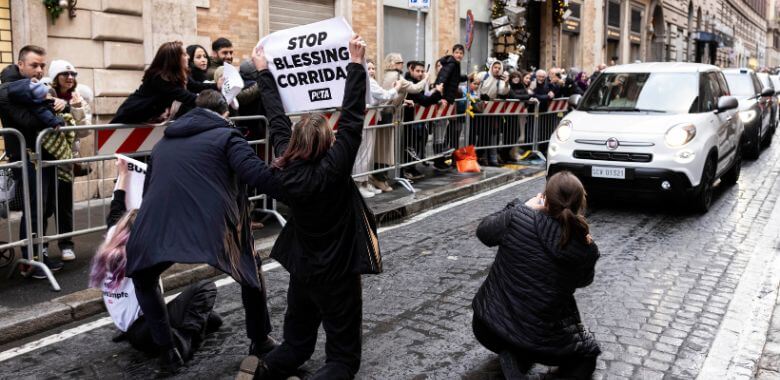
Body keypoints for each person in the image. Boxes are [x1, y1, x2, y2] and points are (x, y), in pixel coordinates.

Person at [124, 89, 284, 373]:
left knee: (144, 276)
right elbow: (257, 176)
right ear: (225, 114)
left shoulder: (163, 143)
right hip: (211, 223)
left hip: (157, 223)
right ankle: (260, 340)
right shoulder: (228, 136)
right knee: (250, 271)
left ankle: (168, 352)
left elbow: (150, 190)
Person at [249, 35, 373, 380]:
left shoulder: (285, 171)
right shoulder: (334, 170)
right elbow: (351, 118)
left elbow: (276, 118)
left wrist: (264, 73)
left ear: (295, 143)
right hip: (338, 272)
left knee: (296, 345)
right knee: (342, 361)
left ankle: (267, 368)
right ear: (328, 143)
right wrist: (355, 64)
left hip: (302, 268)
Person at [89, 159, 222, 366]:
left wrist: (123, 174)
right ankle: (184, 341)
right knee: (206, 288)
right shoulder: (142, 254)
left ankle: (185, 330)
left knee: (213, 319)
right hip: (147, 330)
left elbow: (117, 205)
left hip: (129, 328)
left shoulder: (112, 236)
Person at [472, 171, 601, 379]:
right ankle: (521, 354)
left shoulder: (518, 217)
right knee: (588, 354)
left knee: (522, 339)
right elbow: (584, 281)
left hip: (486, 327)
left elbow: (484, 232)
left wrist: (522, 207)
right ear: (579, 205)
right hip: (537, 341)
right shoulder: (585, 247)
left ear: (545, 199)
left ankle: (516, 355)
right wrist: (588, 248)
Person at [0, 45, 66, 277]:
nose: (39, 70)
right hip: (26, 157)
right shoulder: (8, 90)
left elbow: (47, 111)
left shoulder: (37, 89)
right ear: (20, 65)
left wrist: (60, 103)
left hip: (41, 156)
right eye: (33, 65)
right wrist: (52, 107)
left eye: (42, 65)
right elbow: (28, 121)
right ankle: (31, 260)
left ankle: (38, 255)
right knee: (34, 209)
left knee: (43, 207)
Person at [46, 60, 93, 262]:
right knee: (43, 206)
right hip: (46, 157)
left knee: (64, 205)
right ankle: (42, 246)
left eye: (73, 74)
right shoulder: (45, 94)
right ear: (56, 77)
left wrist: (76, 109)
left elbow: (84, 131)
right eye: (65, 74)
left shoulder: (79, 99)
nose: (70, 78)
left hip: (66, 159)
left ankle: (66, 245)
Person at [111, 41, 220, 124]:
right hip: (130, 117)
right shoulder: (159, 78)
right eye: (184, 54)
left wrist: (217, 85)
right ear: (175, 59)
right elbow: (188, 97)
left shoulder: (177, 76)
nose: (188, 57)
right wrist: (215, 103)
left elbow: (196, 86)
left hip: (145, 120)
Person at [355, 58, 401, 198]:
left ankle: (365, 182)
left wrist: (392, 90)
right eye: (368, 68)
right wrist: (396, 88)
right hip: (366, 121)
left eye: (373, 68)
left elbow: (382, 98)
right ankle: (359, 183)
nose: (372, 71)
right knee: (363, 153)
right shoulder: (367, 82)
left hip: (371, 120)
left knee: (368, 154)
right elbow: (384, 95)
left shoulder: (370, 82)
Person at [432, 44, 467, 169]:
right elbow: (443, 76)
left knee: (441, 130)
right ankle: (438, 160)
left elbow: (454, 79)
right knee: (439, 131)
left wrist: (467, 77)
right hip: (444, 100)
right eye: (457, 52)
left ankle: (440, 159)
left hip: (447, 100)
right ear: (453, 53)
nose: (459, 55)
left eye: (461, 53)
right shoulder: (452, 64)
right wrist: (439, 91)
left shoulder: (454, 64)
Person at [477, 60, 510, 166]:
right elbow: (475, 83)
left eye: (499, 68)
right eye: (495, 67)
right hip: (479, 108)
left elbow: (502, 91)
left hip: (493, 109)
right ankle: (481, 156)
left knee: (493, 134)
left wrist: (506, 82)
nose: (497, 69)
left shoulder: (500, 80)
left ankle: (492, 158)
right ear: (491, 67)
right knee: (482, 134)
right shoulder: (484, 75)